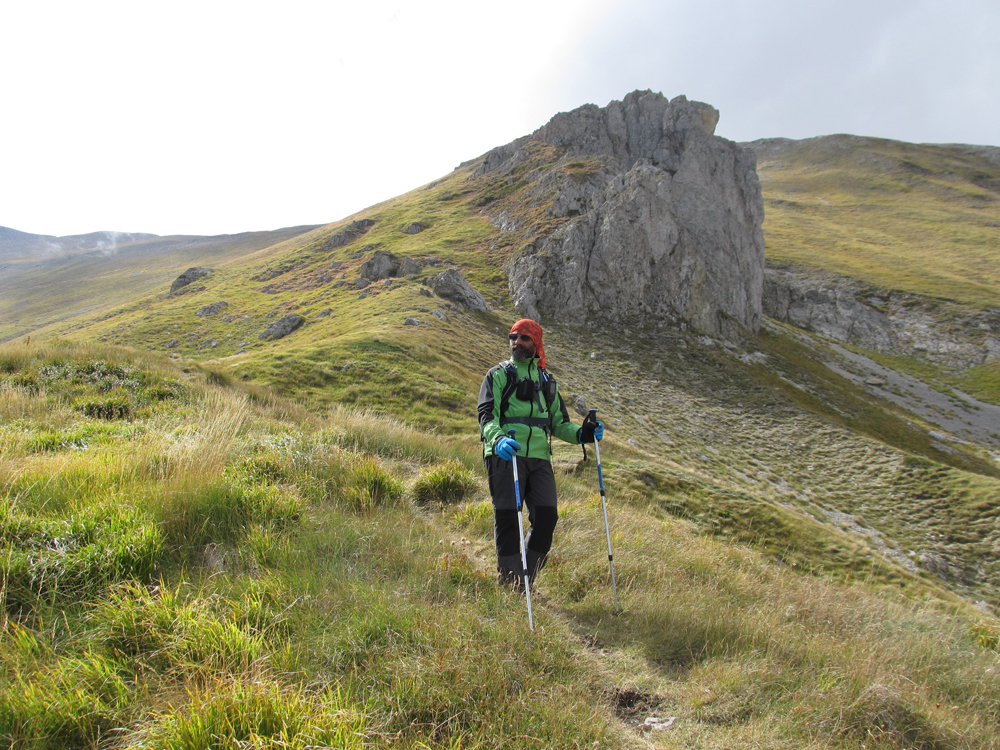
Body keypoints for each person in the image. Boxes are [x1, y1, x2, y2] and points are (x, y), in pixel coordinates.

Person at [477, 319, 603, 588]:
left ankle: (525, 579)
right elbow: (486, 415)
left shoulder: (547, 382)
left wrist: (583, 434)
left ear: (536, 343)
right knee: (508, 516)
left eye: (524, 337)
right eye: (513, 337)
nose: (516, 342)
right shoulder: (497, 375)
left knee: (547, 518)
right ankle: (510, 582)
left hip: (540, 458)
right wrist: (497, 439)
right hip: (504, 454)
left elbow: (560, 424)